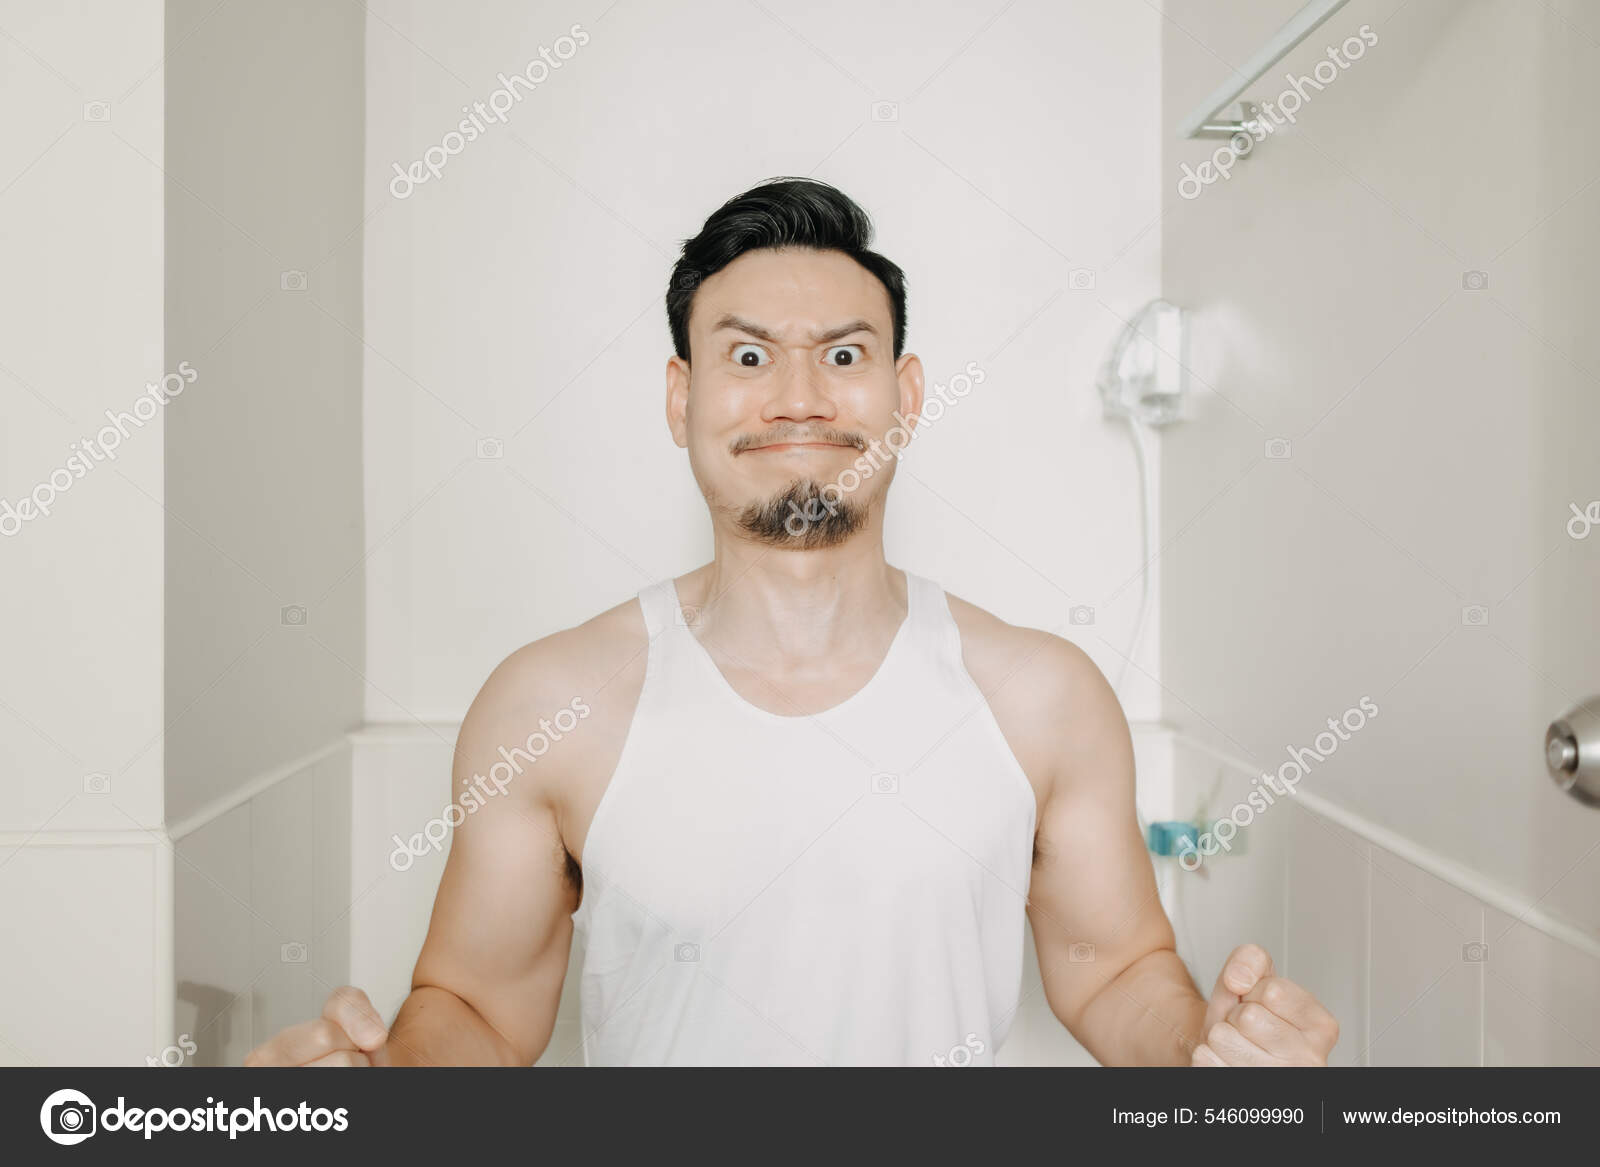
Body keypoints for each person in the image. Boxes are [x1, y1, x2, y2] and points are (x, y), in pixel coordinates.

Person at [245, 178, 1337, 1067]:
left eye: (846, 356)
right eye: (751, 356)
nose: (801, 398)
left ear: (904, 398)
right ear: (683, 399)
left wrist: (1210, 1047)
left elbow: (1115, 974)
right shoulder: (551, 705)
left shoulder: (1042, 697)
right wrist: (383, 1086)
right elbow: (475, 1009)